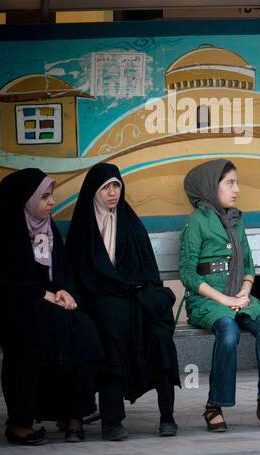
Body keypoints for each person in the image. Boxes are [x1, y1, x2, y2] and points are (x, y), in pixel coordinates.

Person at [66, 163, 179, 440]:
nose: (112, 193)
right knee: (112, 330)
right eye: (106, 187)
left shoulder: (129, 222)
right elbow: (80, 277)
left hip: (134, 299)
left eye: (116, 186)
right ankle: (112, 420)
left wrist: (135, 290)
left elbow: (149, 274)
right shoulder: (83, 228)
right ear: (94, 192)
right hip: (100, 301)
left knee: (159, 334)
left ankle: (167, 416)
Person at [179, 160, 260, 431]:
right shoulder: (197, 222)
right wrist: (226, 300)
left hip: (238, 296)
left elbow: (249, 265)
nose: (237, 189)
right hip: (208, 301)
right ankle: (214, 406)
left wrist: (244, 291)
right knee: (228, 330)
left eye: (236, 183)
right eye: (230, 183)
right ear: (210, 186)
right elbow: (188, 275)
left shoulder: (236, 219)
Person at [0, 169, 101, 444]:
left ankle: (73, 413)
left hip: (45, 303)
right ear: (25, 200)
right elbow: (7, 280)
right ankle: (20, 423)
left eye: (50, 195)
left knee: (82, 329)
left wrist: (65, 290)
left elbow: (62, 271)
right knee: (34, 335)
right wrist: (43, 294)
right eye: (44, 197)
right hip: (14, 306)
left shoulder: (47, 227)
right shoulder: (6, 229)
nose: (51, 202)